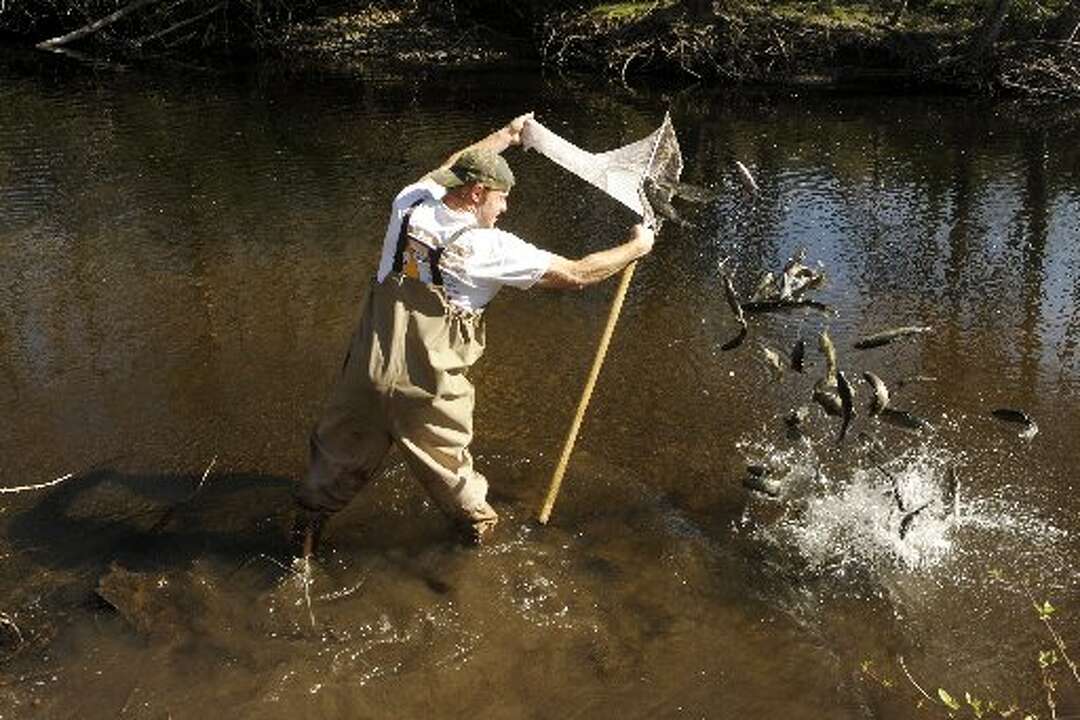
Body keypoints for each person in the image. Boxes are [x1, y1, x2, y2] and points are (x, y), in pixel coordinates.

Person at [293, 113, 655, 555]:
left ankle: (301, 554)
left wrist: (507, 136)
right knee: (464, 495)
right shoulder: (489, 248)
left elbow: (450, 165)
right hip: (428, 391)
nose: (504, 210)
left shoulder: (409, 203)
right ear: (477, 193)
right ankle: (477, 561)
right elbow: (577, 274)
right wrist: (638, 246)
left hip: (365, 375)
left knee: (325, 480)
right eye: (501, 199)